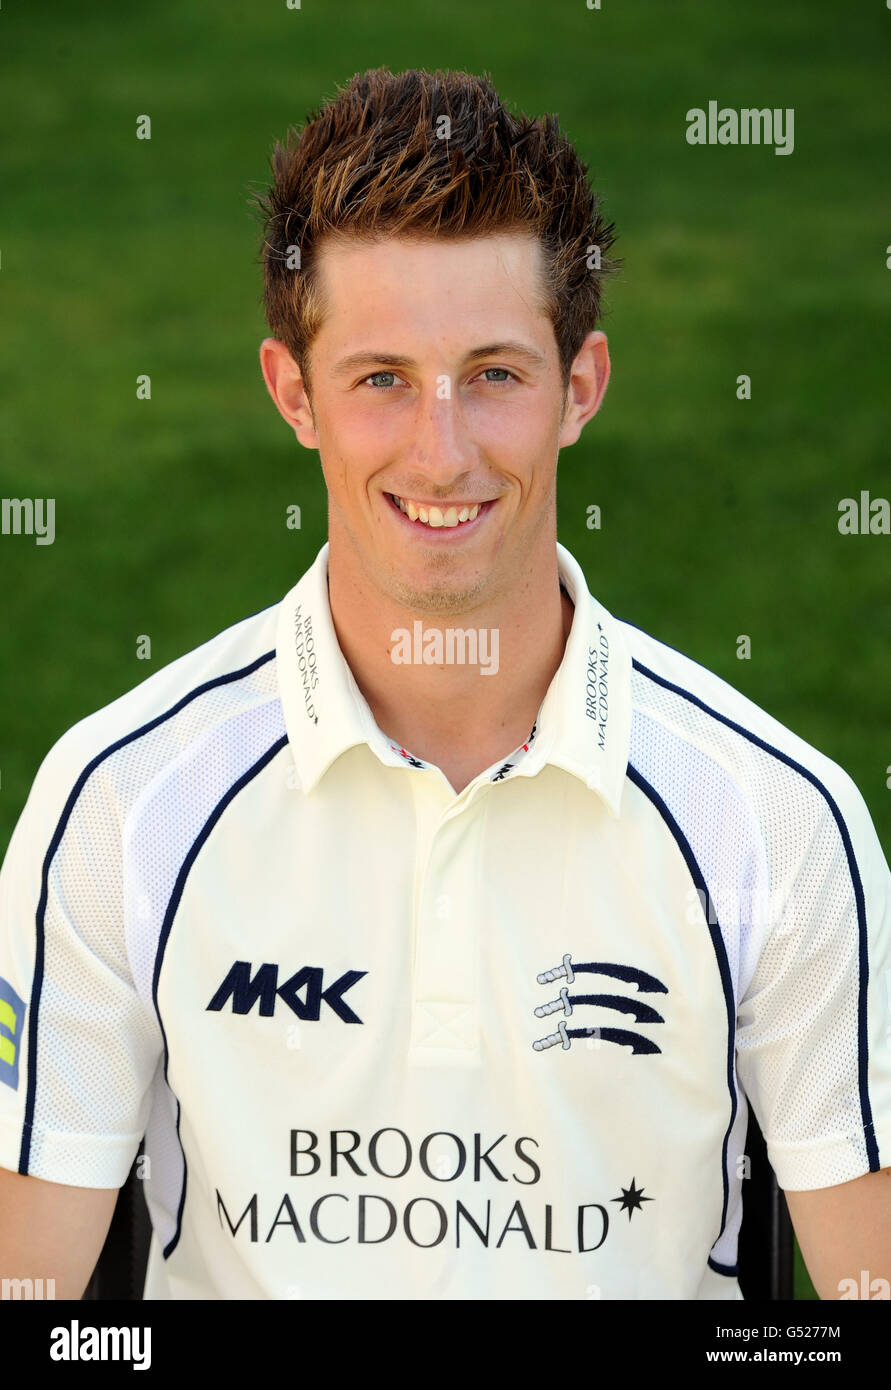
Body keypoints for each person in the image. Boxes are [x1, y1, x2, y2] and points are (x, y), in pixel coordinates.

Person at [0, 66, 889, 1302]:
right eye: (382, 380)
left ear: (580, 388)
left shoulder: (782, 821)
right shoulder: (117, 804)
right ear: (291, 393)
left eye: (495, 374)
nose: (443, 451)